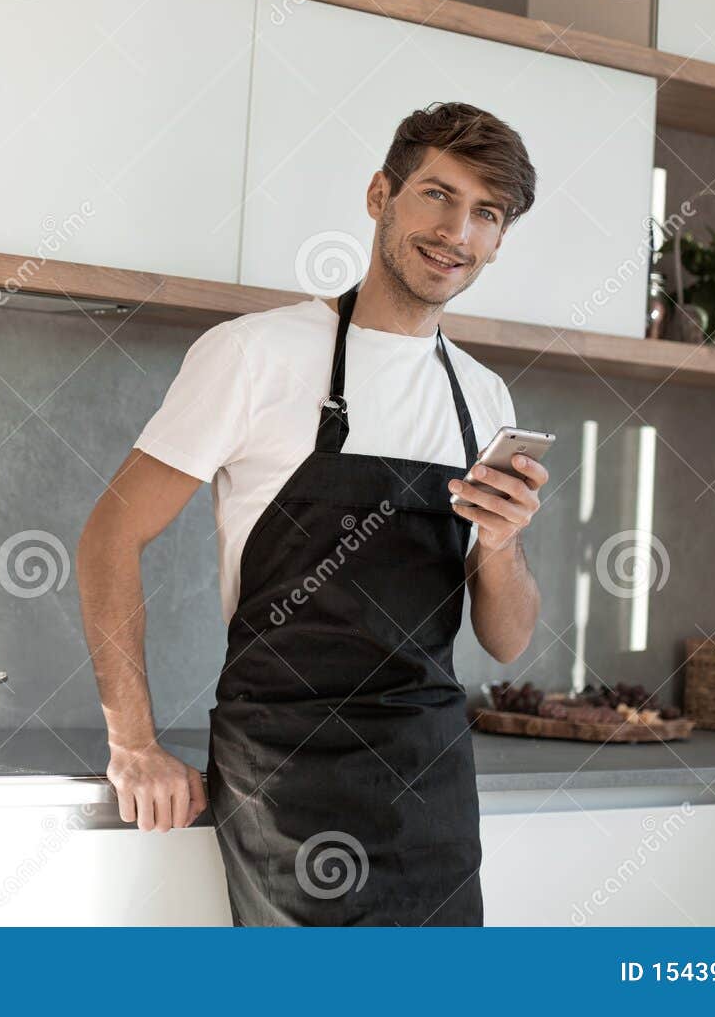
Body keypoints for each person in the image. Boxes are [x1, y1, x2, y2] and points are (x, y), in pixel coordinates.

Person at [76, 101, 547, 926]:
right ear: (380, 195)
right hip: (288, 783)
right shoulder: (253, 354)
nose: (456, 231)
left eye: (486, 213)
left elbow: (506, 638)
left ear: (499, 239)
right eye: (437, 195)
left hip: (429, 788)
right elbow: (110, 535)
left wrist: (501, 545)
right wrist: (133, 744)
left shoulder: (480, 395)